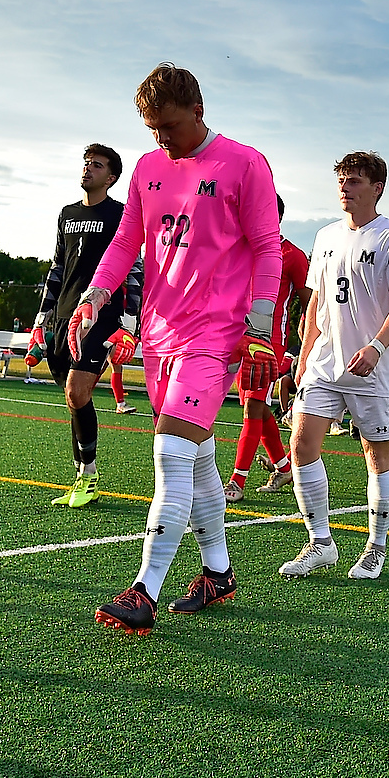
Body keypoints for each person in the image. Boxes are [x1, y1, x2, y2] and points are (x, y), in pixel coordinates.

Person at [75, 63, 281, 635]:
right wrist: (96, 295)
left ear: (197, 110)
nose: (160, 137)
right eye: (151, 128)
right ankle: (218, 572)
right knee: (199, 462)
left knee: (170, 454)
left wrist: (260, 326)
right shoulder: (147, 166)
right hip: (161, 333)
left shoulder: (245, 163)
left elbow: (267, 250)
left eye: (167, 124)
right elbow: (126, 242)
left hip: (215, 336)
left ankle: (145, 590)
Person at [281, 152, 389, 579]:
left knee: (378, 456)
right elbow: (315, 303)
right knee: (302, 445)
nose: (345, 187)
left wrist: (377, 346)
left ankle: (375, 547)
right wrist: (303, 360)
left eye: (355, 181)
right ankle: (320, 543)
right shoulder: (324, 237)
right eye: (342, 180)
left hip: (372, 367)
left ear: (377, 188)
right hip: (325, 362)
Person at [31, 144, 128, 509]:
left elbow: (133, 269)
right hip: (64, 317)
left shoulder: (120, 213)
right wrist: (43, 319)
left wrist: (127, 323)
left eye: (97, 165)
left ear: (111, 177)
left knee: (76, 392)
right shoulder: (67, 214)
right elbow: (57, 269)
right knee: (72, 399)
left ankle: (89, 475)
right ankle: (80, 476)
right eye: (86, 163)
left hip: (102, 317)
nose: (88, 169)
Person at [230, 196, 309, 500]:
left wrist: (302, 343)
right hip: (238, 339)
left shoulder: (292, 255)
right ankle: (284, 467)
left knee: (253, 407)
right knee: (259, 408)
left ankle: (237, 481)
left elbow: (308, 301)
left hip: (268, 343)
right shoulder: (240, 248)